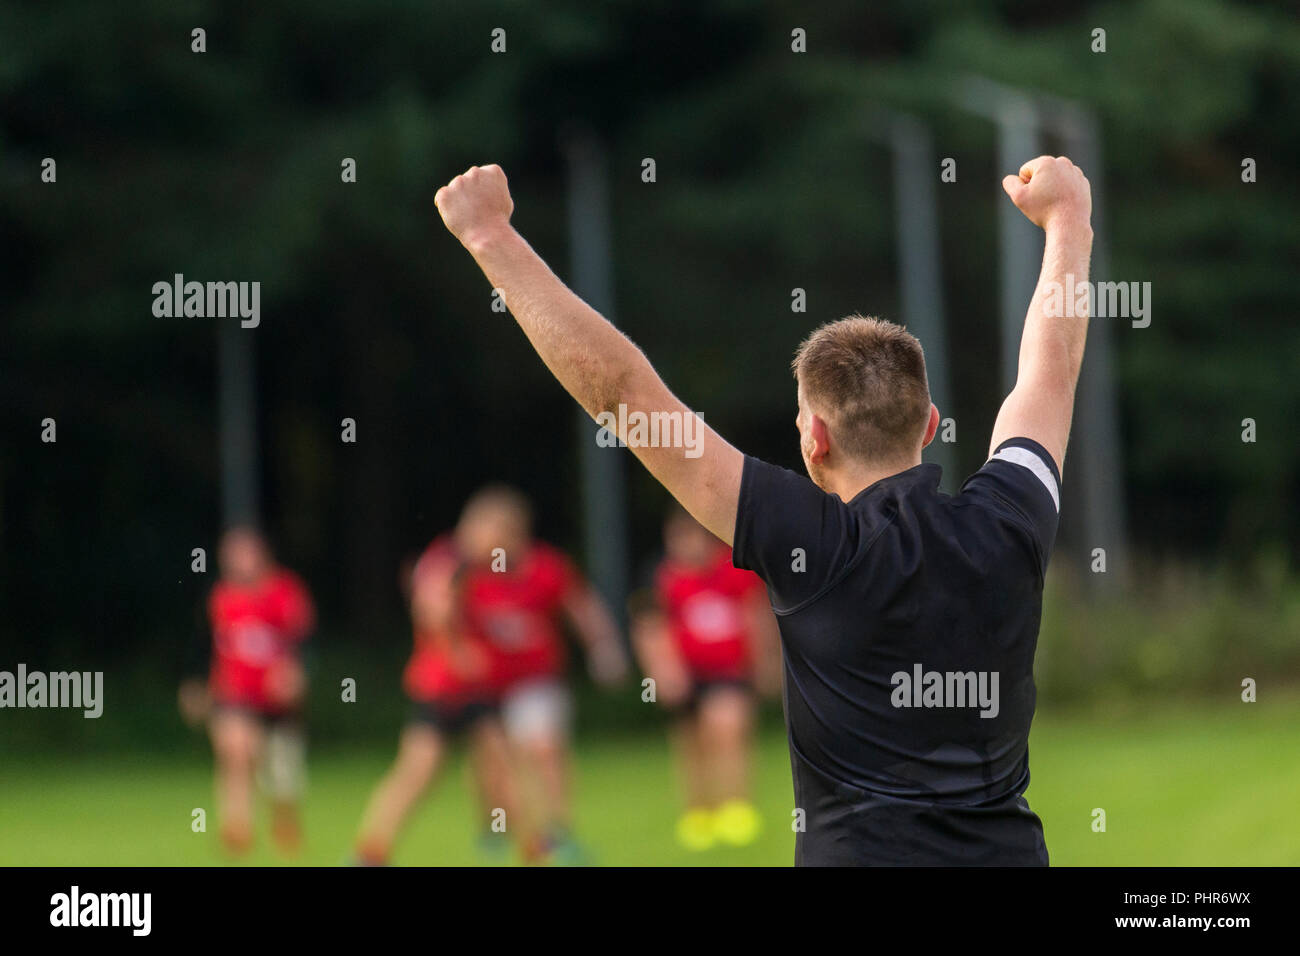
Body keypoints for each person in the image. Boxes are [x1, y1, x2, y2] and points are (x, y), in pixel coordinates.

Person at [432, 155, 1093, 865]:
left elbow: (623, 394)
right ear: (930, 424)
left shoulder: (806, 542)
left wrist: (490, 237)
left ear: (814, 437)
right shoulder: (1008, 520)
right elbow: (1049, 371)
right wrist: (1068, 222)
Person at [452, 485, 628, 863]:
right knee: (491, 764)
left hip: (536, 680)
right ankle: (495, 827)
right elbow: (442, 624)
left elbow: (581, 608)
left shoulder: (546, 568)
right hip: (485, 687)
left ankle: (557, 832)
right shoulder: (464, 577)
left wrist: (604, 649)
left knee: (545, 749)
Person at [352, 529, 516, 866]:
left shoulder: (479, 570)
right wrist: (458, 652)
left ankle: (523, 846)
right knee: (416, 774)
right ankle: (369, 854)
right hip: (440, 688)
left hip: (475, 690)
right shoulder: (446, 562)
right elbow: (431, 610)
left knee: (500, 767)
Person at [631, 505, 779, 851]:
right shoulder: (662, 577)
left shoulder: (734, 569)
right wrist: (662, 671)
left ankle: (737, 807)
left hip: (728, 670)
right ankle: (699, 814)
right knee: (691, 743)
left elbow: (756, 616)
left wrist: (767, 662)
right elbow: (650, 628)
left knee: (727, 729)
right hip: (685, 673)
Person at [179, 525, 315, 855]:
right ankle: (237, 827)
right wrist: (195, 685)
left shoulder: (285, 592)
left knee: (283, 774)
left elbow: (305, 642)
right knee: (237, 751)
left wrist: (296, 674)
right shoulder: (220, 598)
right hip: (233, 694)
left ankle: (284, 819)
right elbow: (203, 646)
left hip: (277, 700)